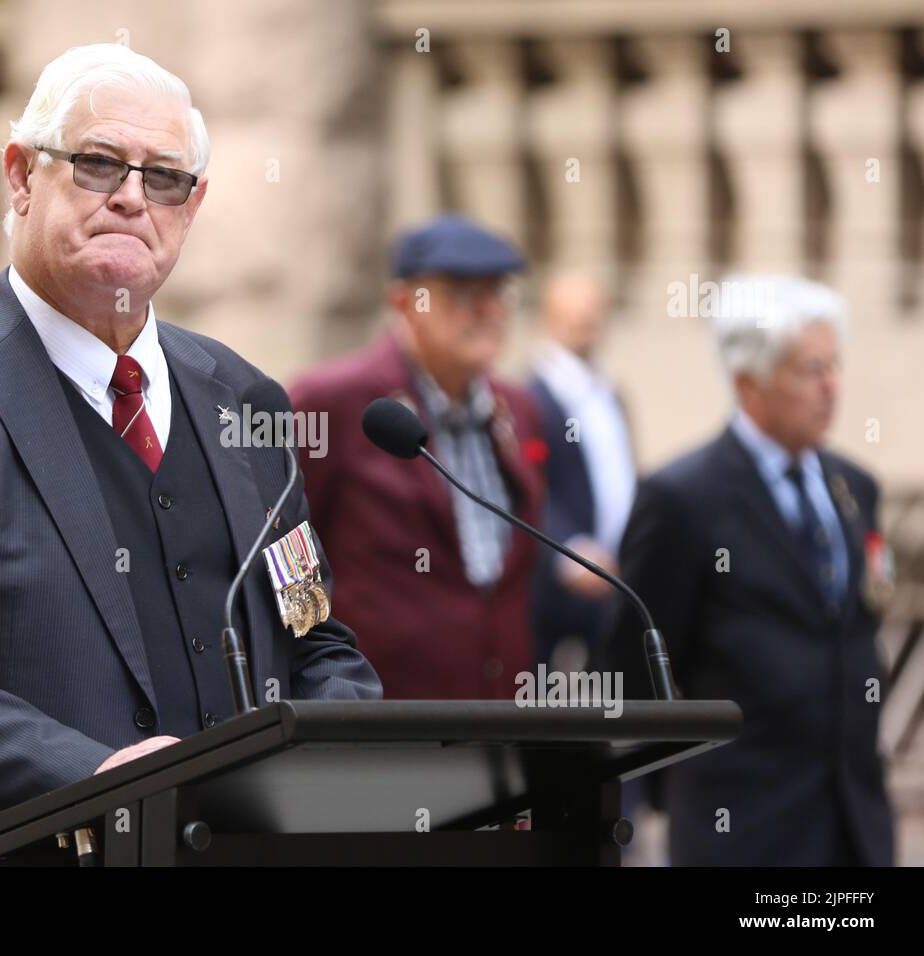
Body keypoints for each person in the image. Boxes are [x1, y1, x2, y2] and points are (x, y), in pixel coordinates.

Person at [0, 43, 380, 867]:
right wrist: (92, 777)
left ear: (193, 204)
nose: (134, 198)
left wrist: (362, 756)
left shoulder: (249, 401)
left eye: (165, 177)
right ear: (22, 175)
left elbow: (313, 634)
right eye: (99, 164)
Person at [603, 275, 895, 866]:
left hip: (852, 821)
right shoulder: (683, 498)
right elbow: (635, 667)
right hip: (742, 825)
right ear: (748, 382)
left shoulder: (854, 486)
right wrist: (681, 787)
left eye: (835, 365)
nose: (831, 387)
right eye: (809, 370)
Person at [290, 215, 544, 700]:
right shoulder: (334, 401)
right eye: (464, 295)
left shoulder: (519, 409)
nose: (489, 310)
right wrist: (314, 677)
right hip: (380, 721)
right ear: (404, 302)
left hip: (502, 719)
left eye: (500, 292)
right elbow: (282, 546)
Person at [528, 273, 636, 671]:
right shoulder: (532, 397)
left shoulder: (609, 391)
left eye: (592, 317)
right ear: (548, 321)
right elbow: (530, 486)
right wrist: (566, 549)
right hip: (560, 578)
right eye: (574, 318)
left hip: (613, 573)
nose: (585, 326)